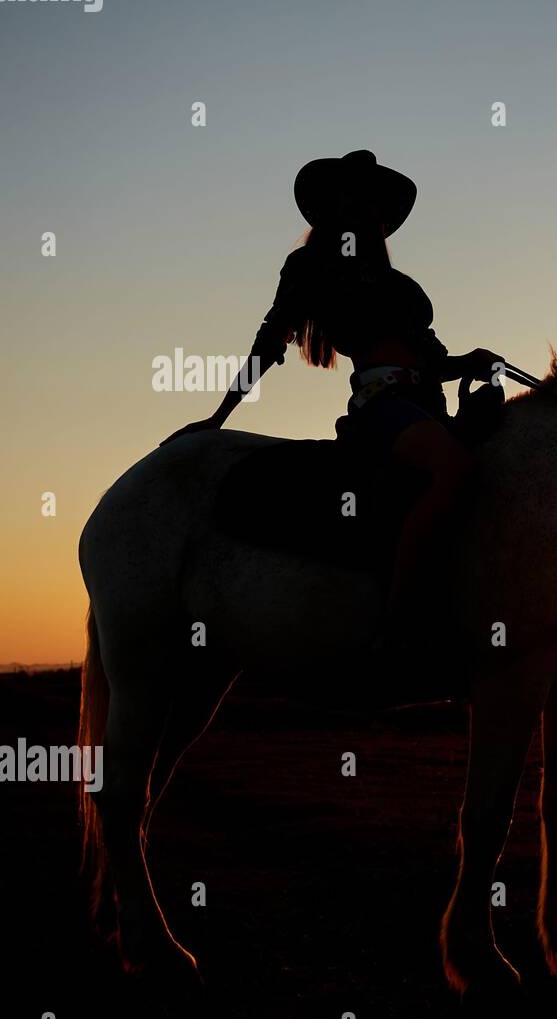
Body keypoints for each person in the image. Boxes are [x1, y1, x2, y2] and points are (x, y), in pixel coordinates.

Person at [163, 149, 502, 651]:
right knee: (454, 472)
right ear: (332, 206)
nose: (366, 207)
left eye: (374, 200)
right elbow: (270, 339)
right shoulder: (312, 267)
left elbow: (432, 357)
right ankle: (403, 626)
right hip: (381, 407)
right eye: (355, 195)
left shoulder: (402, 288)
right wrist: (220, 415)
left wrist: (471, 362)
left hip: (428, 406)